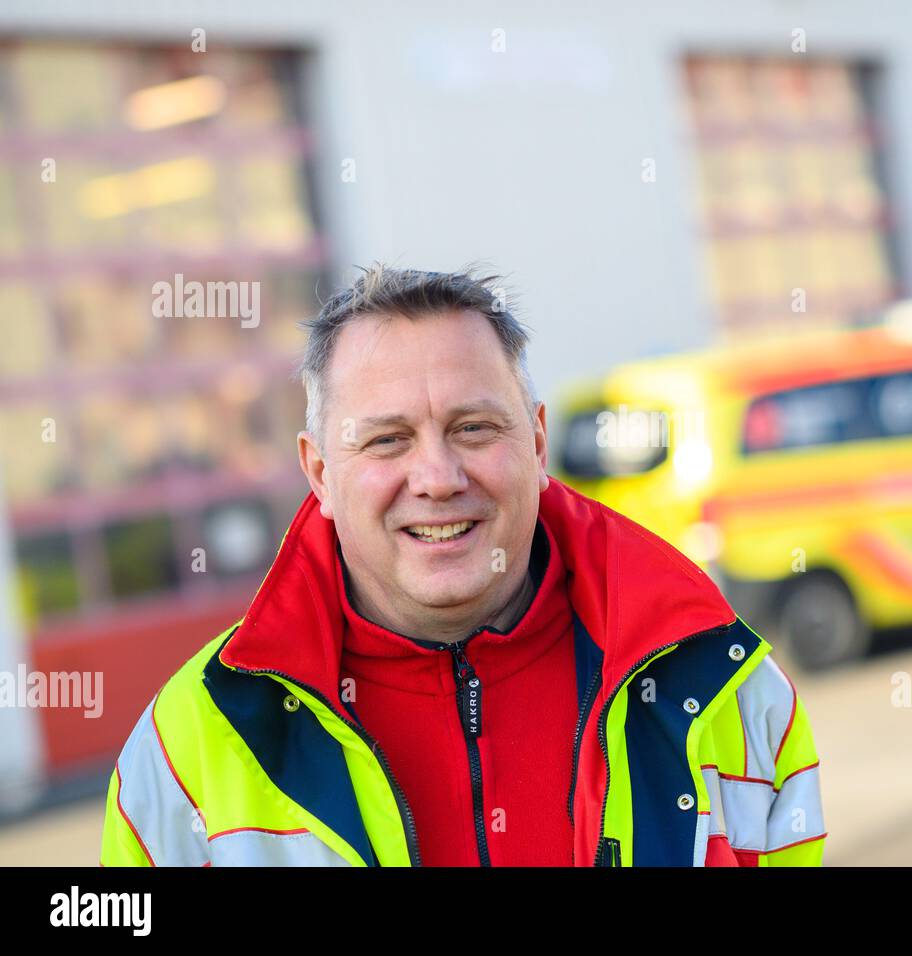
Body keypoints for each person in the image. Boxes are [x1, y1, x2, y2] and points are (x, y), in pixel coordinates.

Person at [100, 266, 825, 867]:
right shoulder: (189, 747)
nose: (439, 476)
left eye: (473, 428)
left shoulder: (731, 693)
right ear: (319, 473)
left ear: (537, 442)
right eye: (387, 441)